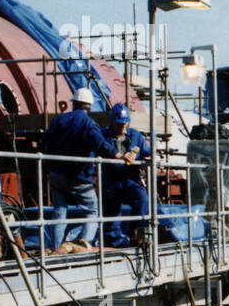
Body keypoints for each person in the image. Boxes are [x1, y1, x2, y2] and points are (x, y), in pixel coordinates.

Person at [42, 87, 119, 253]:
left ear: (74, 103)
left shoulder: (58, 120)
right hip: (78, 177)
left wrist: (50, 166)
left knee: (59, 211)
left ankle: (56, 249)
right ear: (89, 107)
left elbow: (44, 142)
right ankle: (83, 242)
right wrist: (117, 154)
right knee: (92, 210)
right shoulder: (88, 123)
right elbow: (100, 144)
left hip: (56, 174)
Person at [102, 103, 152, 247]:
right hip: (110, 180)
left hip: (129, 179)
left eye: (125, 123)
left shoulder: (135, 135)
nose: (123, 127)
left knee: (142, 200)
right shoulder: (103, 135)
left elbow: (147, 152)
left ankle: (135, 233)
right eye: (119, 124)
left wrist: (154, 156)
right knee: (110, 215)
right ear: (112, 122)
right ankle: (114, 246)